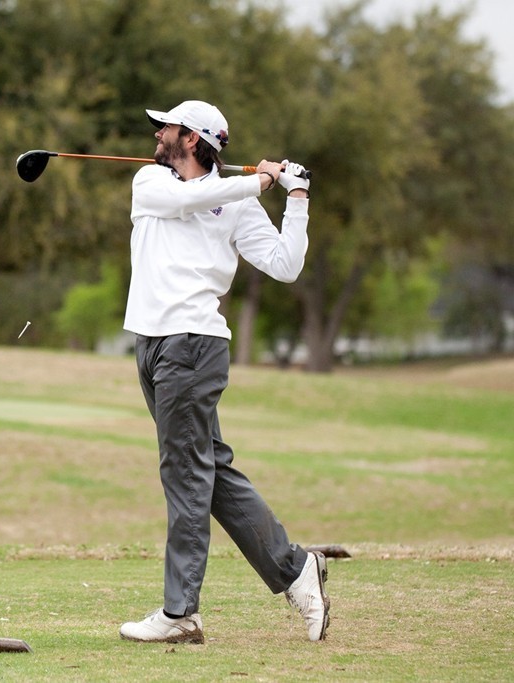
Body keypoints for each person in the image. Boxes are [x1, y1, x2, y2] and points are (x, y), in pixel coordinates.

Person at [118, 100, 329, 644]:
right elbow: (197, 198)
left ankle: (181, 613)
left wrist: (297, 197)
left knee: (186, 477)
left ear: (191, 139)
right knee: (211, 474)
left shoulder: (234, 202)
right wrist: (259, 181)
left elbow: (286, 265)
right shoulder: (151, 182)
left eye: (166, 126)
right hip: (151, 343)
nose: (157, 133)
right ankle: (296, 568)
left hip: (193, 345)